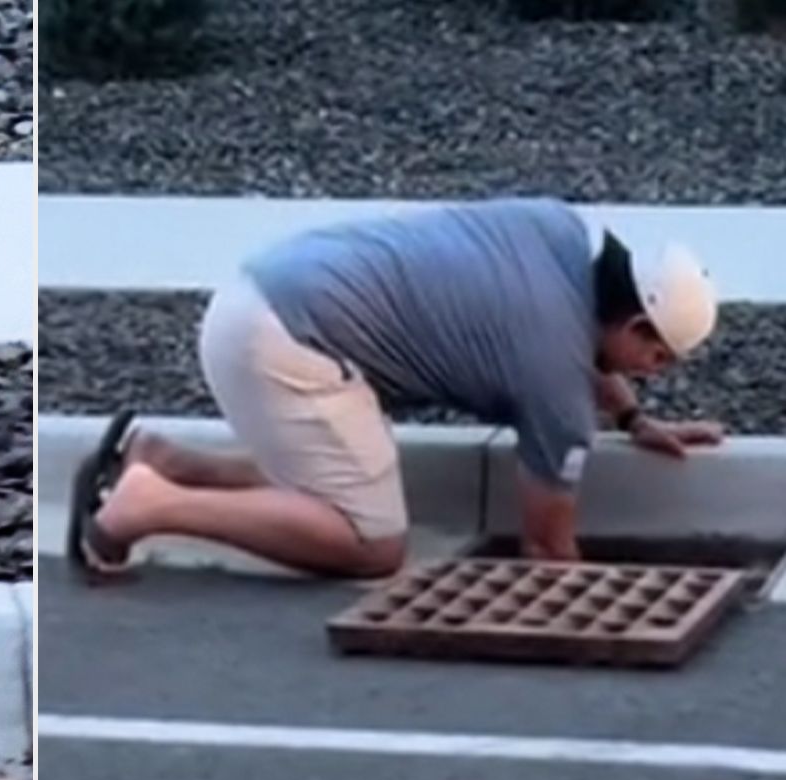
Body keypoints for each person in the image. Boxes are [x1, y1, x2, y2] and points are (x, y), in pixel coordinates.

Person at [67, 197, 724, 581]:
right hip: (288, 346)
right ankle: (148, 506)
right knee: (371, 543)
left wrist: (635, 420)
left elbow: (573, 344)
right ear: (635, 318)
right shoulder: (555, 380)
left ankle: (166, 462)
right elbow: (547, 550)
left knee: (340, 480)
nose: (653, 371)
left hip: (260, 300)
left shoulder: (559, 231)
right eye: (656, 354)